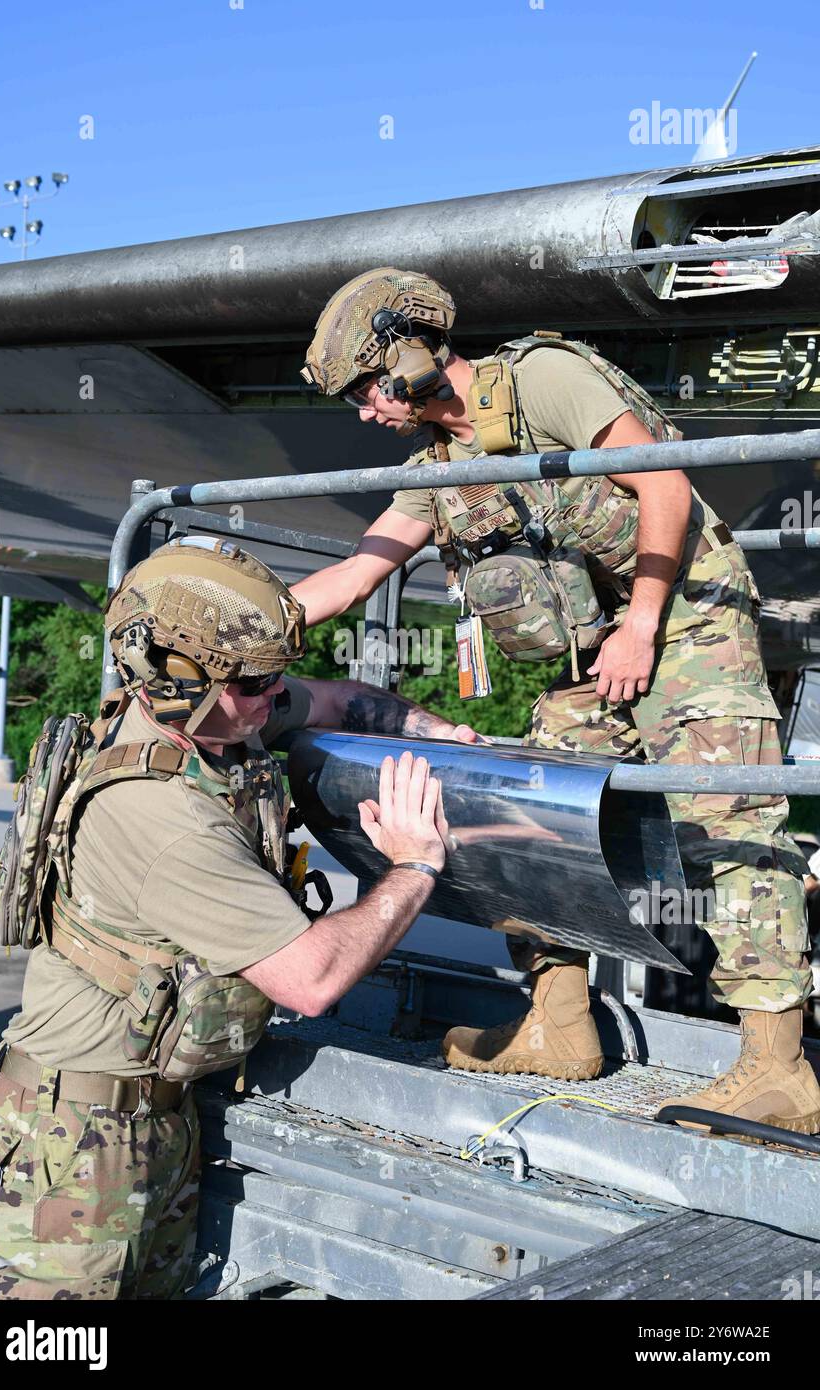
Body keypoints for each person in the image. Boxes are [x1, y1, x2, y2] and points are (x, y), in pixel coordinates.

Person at [295, 266, 820, 1133]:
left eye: (365, 388)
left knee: (726, 819)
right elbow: (357, 574)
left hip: (686, 617)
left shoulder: (542, 378)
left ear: (414, 355)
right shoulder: (440, 468)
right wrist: (231, 626)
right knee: (523, 813)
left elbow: (665, 484)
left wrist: (641, 626)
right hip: (596, 654)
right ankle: (560, 1022)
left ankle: (779, 1069)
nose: (365, 411)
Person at [0, 536, 477, 1300]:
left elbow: (336, 700)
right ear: (180, 681)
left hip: (152, 1119)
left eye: (275, 678)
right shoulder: (162, 815)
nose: (276, 697)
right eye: (257, 683)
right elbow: (311, 979)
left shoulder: (211, 719)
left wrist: (444, 739)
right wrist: (414, 863)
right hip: (73, 1146)